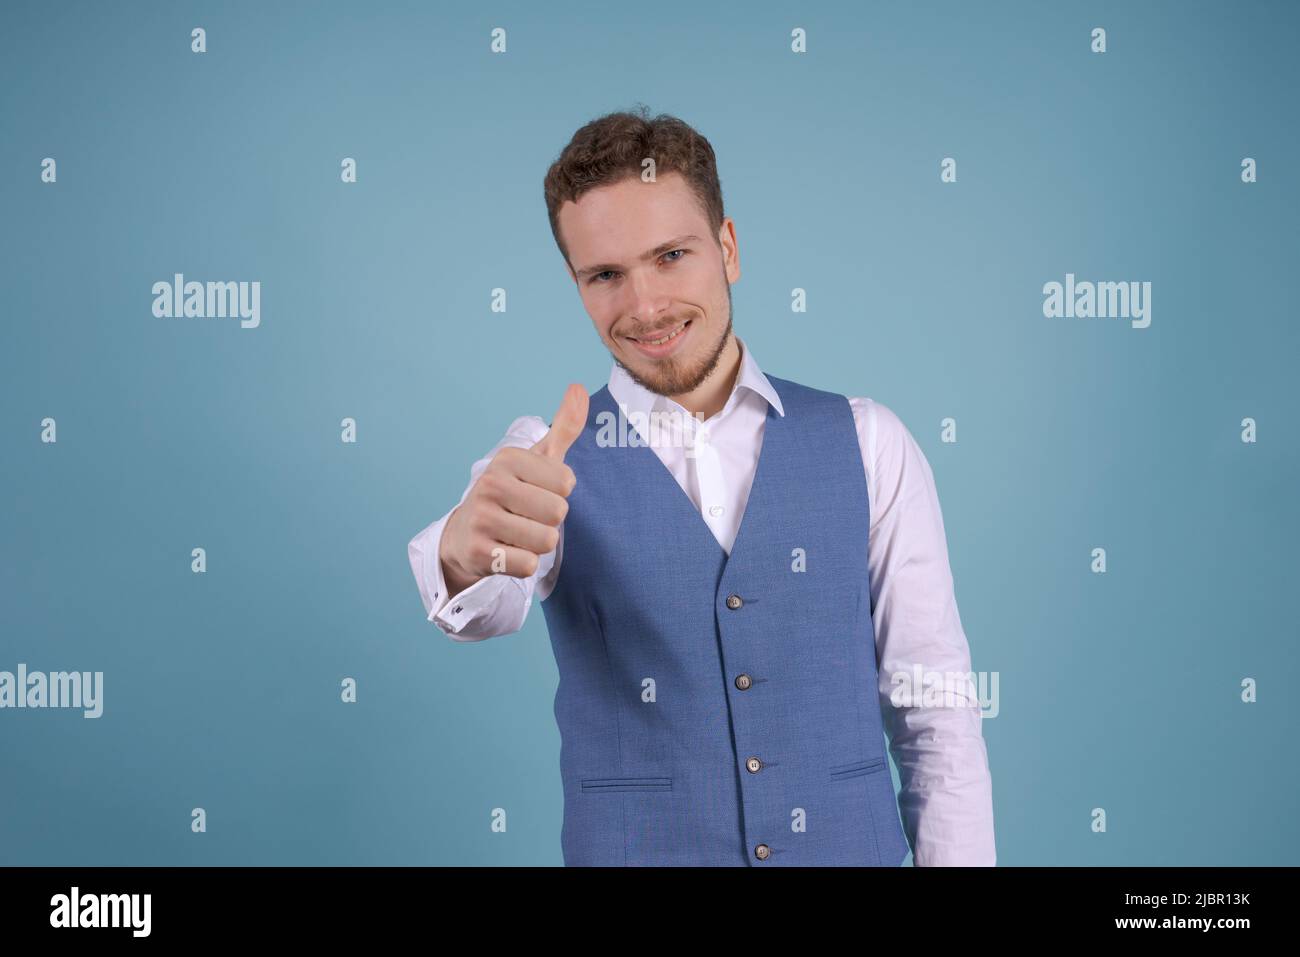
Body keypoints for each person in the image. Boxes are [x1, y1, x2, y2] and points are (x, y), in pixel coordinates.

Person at [408, 106, 995, 866]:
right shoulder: (542, 459)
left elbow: (936, 713)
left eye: (672, 255)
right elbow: (483, 600)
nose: (645, 306)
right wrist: (463, 547)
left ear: (728, 246)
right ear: (575, 282)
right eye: (606, 275)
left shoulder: (869, 441)